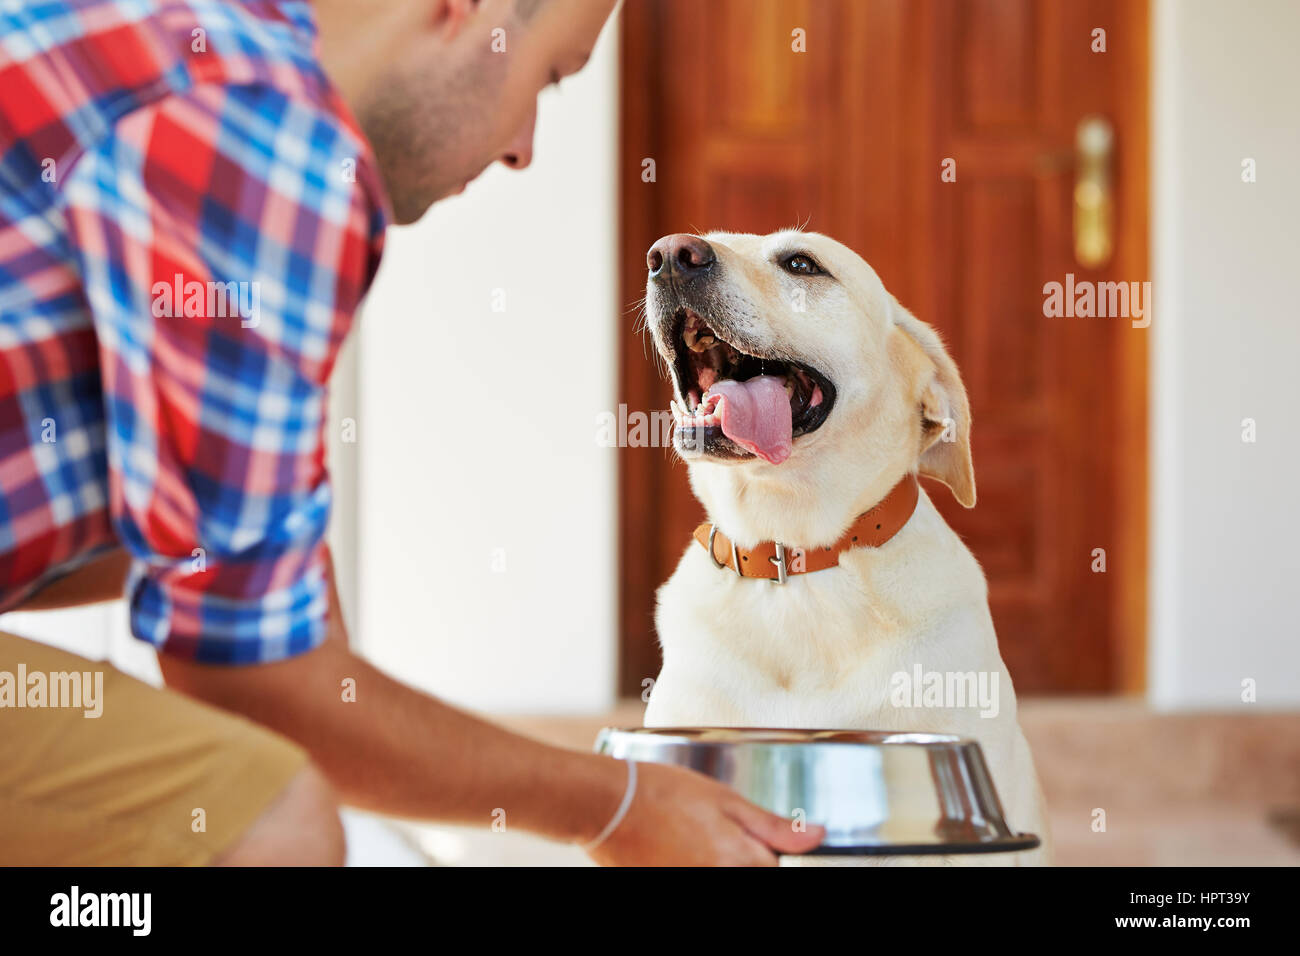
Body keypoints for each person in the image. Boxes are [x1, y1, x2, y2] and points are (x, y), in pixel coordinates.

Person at [0, 0, 824, 865]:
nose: (523, 146)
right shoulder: (266, 136)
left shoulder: (197, 40)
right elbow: (257, 687)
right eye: (546, 76)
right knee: (270, 821)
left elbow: (234, 585)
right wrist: (616, 806)